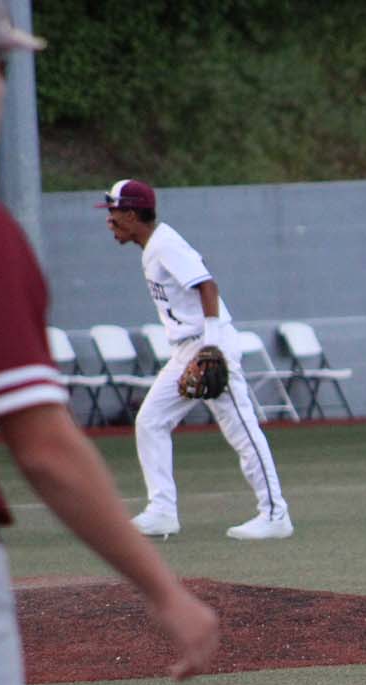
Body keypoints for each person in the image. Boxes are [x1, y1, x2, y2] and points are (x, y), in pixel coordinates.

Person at [0, 2, 219, 685]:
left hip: (198, 345)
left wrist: (210, 344)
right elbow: (42, 445)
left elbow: (208, 291)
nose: (2, 85)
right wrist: (162, 590)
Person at [99, 178, 294, 541]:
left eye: (113, 212)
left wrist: (213, 345)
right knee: (151, 421)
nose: (109, 220)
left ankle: (274, 514)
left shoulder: (165, 244)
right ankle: (161, 512)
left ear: (131, 212)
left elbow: (208, 286)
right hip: (186, 349)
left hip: (209, 344)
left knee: (242, 430)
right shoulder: (152, 247)